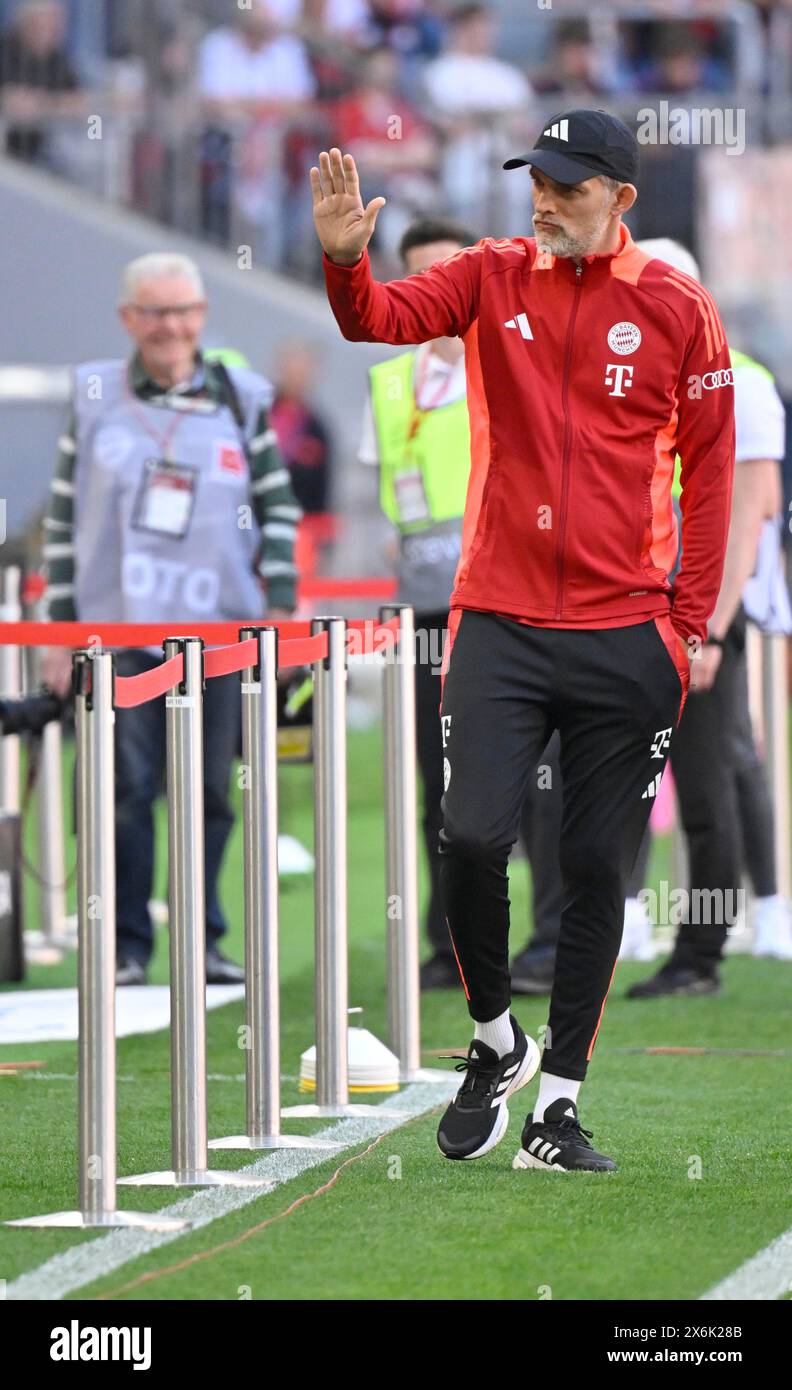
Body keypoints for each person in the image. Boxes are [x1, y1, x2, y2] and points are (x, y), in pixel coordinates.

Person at [311, 109, 734, 1171]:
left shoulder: (678, 304)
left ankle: (559, 1105)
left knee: (594, 864)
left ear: (620, 198)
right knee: (469, 836)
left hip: (627, 632)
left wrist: (685, 625)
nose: (544, 201)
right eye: (535, 182)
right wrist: (345, 262)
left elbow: (713, 473)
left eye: (566, 186)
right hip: (498, 617)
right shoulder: (490, 273)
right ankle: (496, 1038)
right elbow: (376, 320)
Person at [41, 252, 301, 986]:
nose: (171, 326)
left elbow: (279, 507)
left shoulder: (241, 398)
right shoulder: (94, 397)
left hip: (219, 635)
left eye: (183, 310)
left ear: (202, 314)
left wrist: (280, 608)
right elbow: (62, 520)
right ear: (128, 318)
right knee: (126, 791)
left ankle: (203, 938)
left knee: (212, 791)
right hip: (120, 633)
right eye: (155, 312)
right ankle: (128, 945)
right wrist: (59, 634)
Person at [358, 215, 475, 989]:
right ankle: (448, 945)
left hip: (512, 605)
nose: (437, 287)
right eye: (419, 273)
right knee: (437, 780)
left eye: (449, 270)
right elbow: (384, 499)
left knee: (540, 782)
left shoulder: (514, 358)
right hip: (426, 609)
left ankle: (550, 940)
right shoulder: (389, 382)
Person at [0, 0, 83, 165]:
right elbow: (12, 101)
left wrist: (43, 103)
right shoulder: (5, 50)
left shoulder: (57, 58)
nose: (58, 29)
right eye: (51, 21)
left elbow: (78, 101)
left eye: (59, 22)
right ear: (29, 22)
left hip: (46, 150)